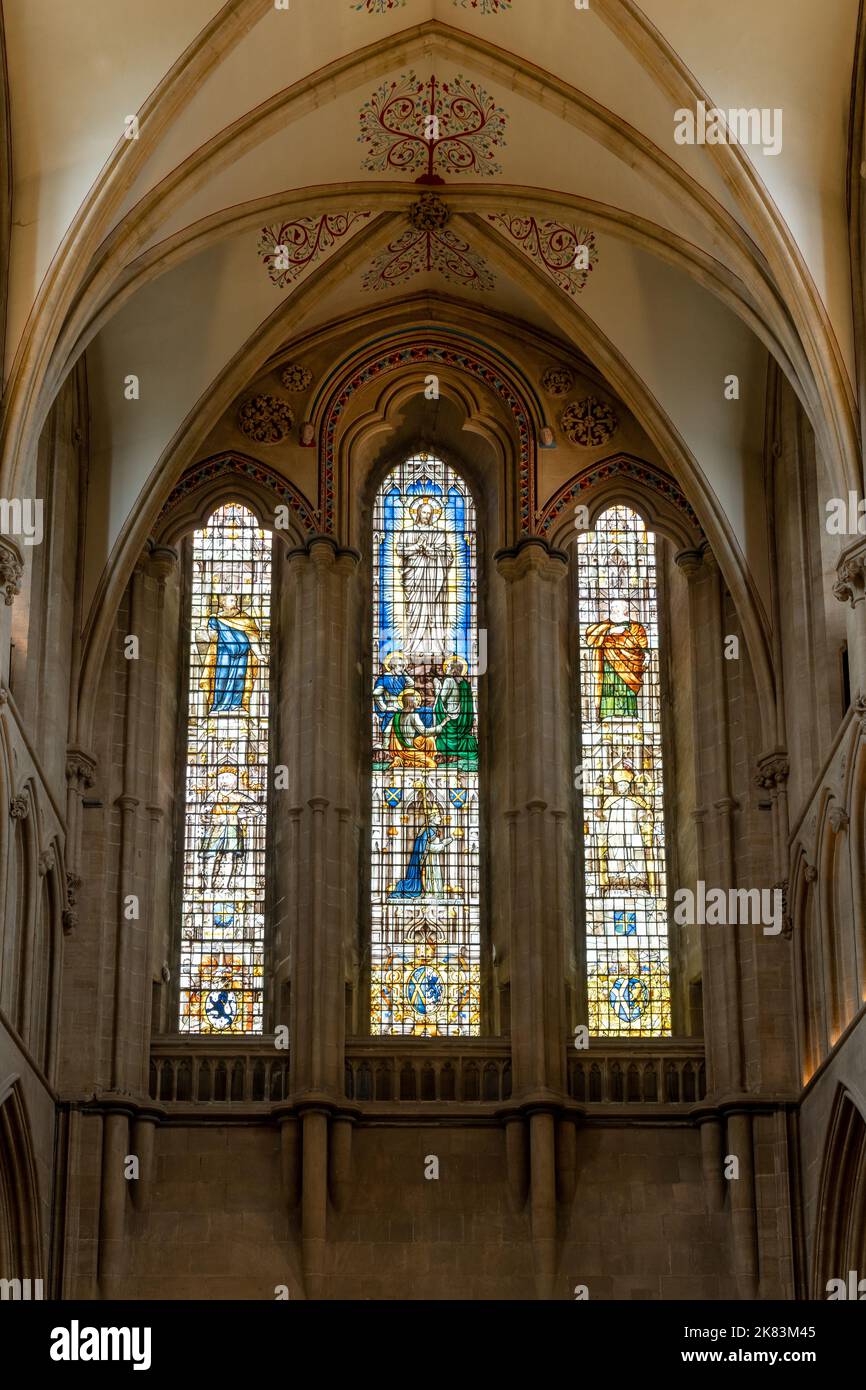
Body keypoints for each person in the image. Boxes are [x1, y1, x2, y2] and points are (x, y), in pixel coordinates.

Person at [584, 598, 647, 720]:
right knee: (609, 687)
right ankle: (608, 715)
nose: (614, 610)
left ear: (625, 610)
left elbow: (643, 645)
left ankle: (629, 715)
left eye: (617, 607)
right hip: (609, 663)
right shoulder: (605, 625)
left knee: (626, 689)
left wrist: (647, 655)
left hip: (630, 666)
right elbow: (591, 639)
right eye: (612, 607)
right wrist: (609, 632)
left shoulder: (635, 626)